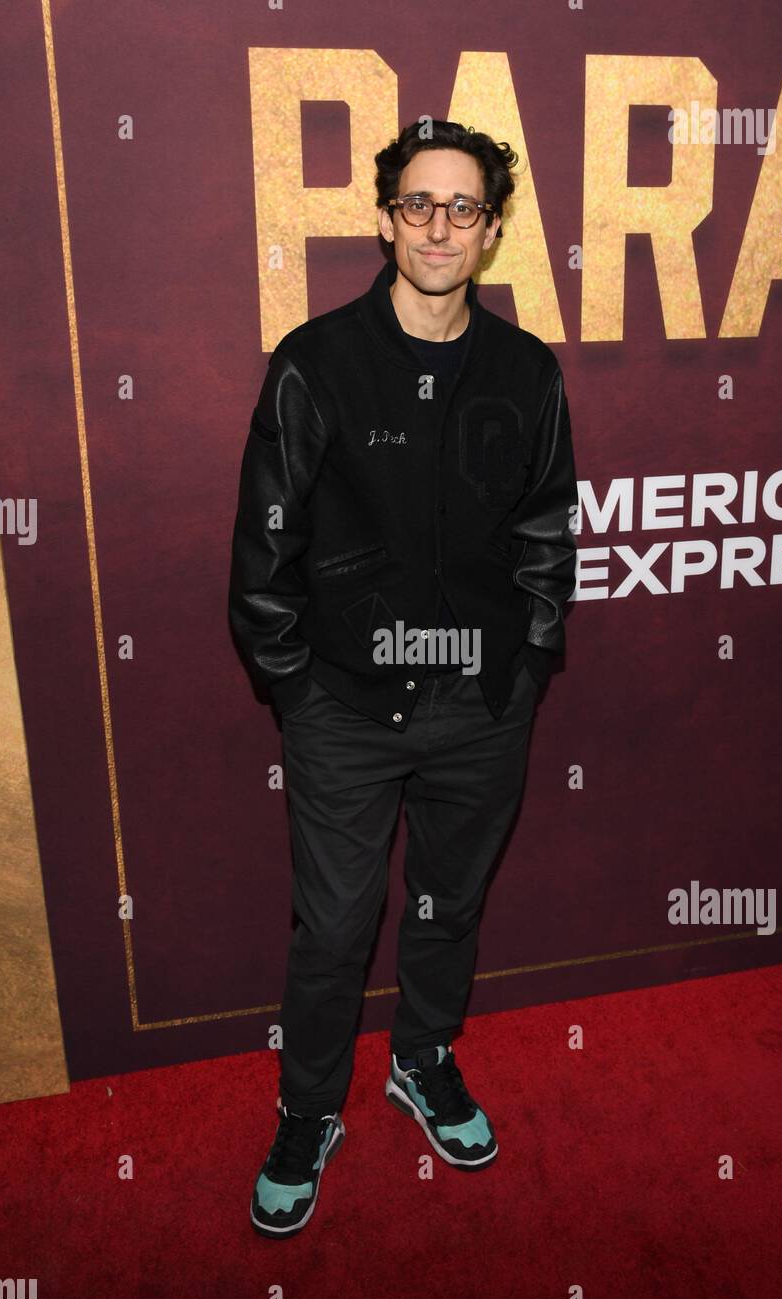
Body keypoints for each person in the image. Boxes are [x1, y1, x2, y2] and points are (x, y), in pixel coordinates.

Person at [229, 119, 579, 1239]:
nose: (439, 226)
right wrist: (297, 687)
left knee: (448, 903)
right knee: (332, 930)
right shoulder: (314, 363)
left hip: (480, 705)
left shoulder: (527, 371)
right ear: (385, 221)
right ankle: (307, 1108)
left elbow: (544, 531)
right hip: (343, 707)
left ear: (489, 228)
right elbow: (262, 550)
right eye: (418, 204)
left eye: (462, 207)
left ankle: (422, 1058)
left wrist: (525, 660)